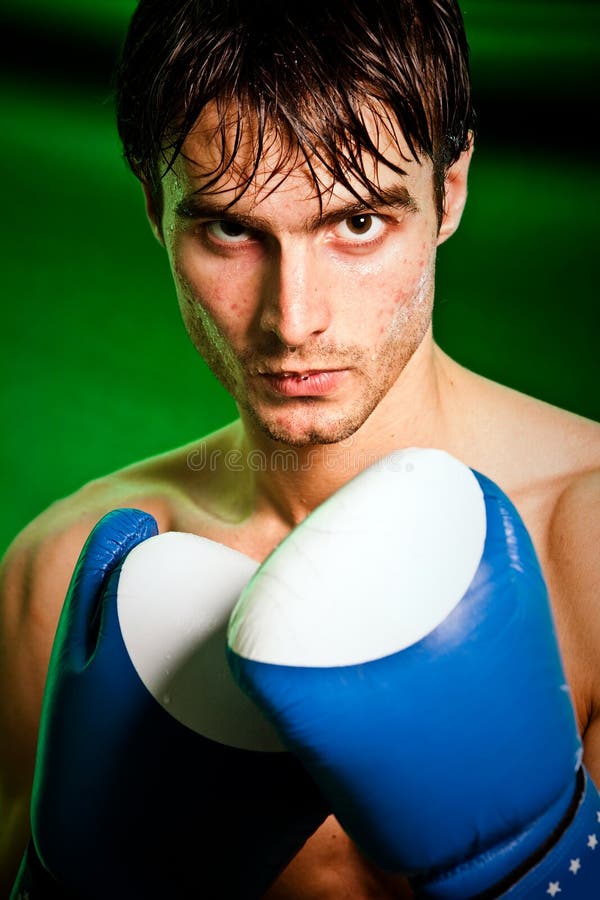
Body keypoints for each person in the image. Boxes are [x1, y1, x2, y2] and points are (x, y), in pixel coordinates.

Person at [1, 0, 599, 897]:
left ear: (451, 191)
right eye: (231, 229)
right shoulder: (62, 592)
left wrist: (551, 867)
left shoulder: (586, 550)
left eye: (357, 224)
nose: (294, 320)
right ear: (155, 209)